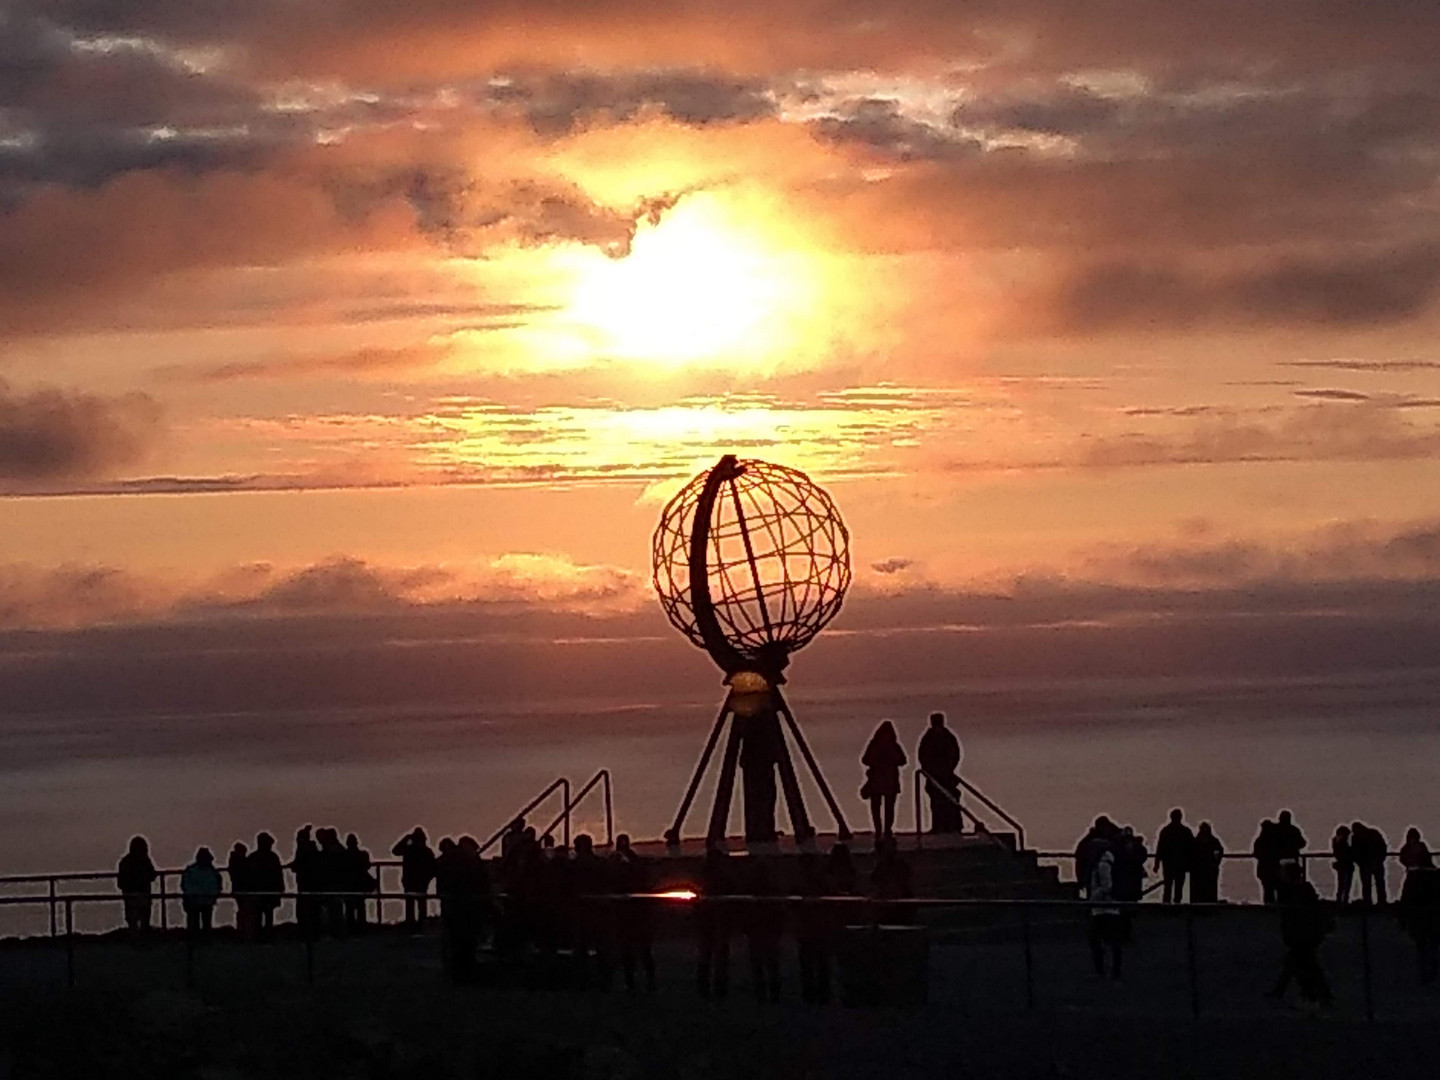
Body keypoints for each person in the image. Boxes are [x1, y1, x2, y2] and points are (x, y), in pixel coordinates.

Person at [1267, 860, 1334, 1008]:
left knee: (1298, 963)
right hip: (1304, 933)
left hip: (1302, 933)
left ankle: (1311, 993)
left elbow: (1292, 913)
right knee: (1304, 963)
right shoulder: (1301, 889)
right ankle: (1318, 993)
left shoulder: (1293, 890)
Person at [612, 834, 657, 992]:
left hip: (626, 913)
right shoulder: (637, 863)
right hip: (638, 912)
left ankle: (631, 981)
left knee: (629, 949)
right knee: (642, 949)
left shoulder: (617, 864)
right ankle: (648, 979)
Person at [795, 851, 834, 1004]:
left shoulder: (815, 883)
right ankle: (817, 994)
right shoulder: (818, 882)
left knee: (816, 963)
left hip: (815, 928)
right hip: (811, 928)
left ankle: (815, 994)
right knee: (815, 963)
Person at [696, 845, 734, 999]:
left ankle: (706, 989)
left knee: (708, 956)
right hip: (717, 921)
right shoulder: (724, 878)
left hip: (709, 921)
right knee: (718, 956)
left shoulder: (703, 878)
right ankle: (718, 989)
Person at [744, 857, 784, 1002]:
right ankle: (772, 993)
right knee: (770, 962)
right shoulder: (772, 889)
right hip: (766, 928)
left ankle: (762, 993)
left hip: (759, 928)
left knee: (760, 963)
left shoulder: (751, 889)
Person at [917, 712, 962, 833]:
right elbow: (955, 754)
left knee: (940, 801)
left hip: (939, 775)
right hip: (939, 775)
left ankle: (945, 825)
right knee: (940, 801)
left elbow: (922, 755)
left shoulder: (931, 737)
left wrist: (930, 769)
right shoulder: (946, 736)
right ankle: (945, 825)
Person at [860, 721, 906, 839]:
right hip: (890, 781)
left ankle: (879, 829)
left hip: (877, 780)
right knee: (889, 807)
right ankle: (887, 830)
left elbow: (865, 760)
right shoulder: (894, 745)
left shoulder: (874, 744)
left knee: (876, 807)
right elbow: (902, 761)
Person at [1398, 861, 1440, 985]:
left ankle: (1425, 972)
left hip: (1419, 918)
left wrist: (1403, 919)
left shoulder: (1413, 880)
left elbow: (1405, 901)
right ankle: (1431, 970)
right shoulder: (1436, 880)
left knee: (1422, 947)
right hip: (1432, 918)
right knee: (1432, 946)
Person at [1087, 850, 1126, 979]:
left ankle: (1102, 971)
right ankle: (1114, 971)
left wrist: (1092, 898)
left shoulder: (1102, 866)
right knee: (1113, 942)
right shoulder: (1112, 864)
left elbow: (1107, 886)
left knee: (1097, 941)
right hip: (1113, 908)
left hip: (1102, 909)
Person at [392, 827, 437, 928]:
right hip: (415, 881)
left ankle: (414, 923)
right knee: (415, 904)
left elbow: (395, 851)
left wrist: (406, 838)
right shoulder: (424, 851)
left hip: (414, 881)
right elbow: (395, 851)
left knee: (414, 904)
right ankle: (417, 924)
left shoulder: (410, 850)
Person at [117, 836, 158, 937]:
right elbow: (152, 875)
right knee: (143, 918)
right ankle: (143, 937)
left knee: (132, 919)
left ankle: (135, 938)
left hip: (131, 894)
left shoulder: (125, 861)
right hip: (142, 893)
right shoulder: (145, 860)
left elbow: (120, 882)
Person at [1154, 808, 1195, 904]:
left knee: (1168, 885)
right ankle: (1176, 904)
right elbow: (1192, 849)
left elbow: (1160, 848)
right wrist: (1191, 864)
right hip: (1181, 863)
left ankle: (1167, 903)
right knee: (1178, 885)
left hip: (1169, 863)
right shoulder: (1186, 831)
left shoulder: (1166, 831)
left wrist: (1157, 864)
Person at [247, 832, 283, 938]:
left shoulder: (253, 857)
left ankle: (262, 935)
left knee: (263, 915)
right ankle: (266, 935)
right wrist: (280, 888)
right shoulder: (272, 857)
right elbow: (278, 874)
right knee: (265, 915)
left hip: (262, 891)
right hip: (265, 891)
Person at [1074, 816, 1120, 898]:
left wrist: (1081, 879)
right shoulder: (1113, 839)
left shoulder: (1086, 842)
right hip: (1105, 874)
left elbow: (1079, 858)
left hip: (1092, 873)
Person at [181, 847, 222, 935]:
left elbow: (184, 885)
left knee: (196, 923)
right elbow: (218, 884)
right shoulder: (212, 871)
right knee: (203, 922)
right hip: (203, 899)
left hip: (197, 899)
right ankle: (202, 939)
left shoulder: (191, 870)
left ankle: (197, 939)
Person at [292, 825, 321, 939]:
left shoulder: (304, 849)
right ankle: (311, 931)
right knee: (310, 908)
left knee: (306, 909)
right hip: (309, 883)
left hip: (306, 883)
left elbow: (300, 864)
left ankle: (307, 931)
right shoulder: (309, 848)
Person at [1353, 822, 1389, 906]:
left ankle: (1370, 903)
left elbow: (1355, 853)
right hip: (1372, 863)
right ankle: (1380, 902)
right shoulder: (1373, 833)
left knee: (1369, 885)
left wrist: (1360, 862)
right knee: (1377, 884)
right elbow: (1383, 847)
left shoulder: (1357, 838)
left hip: (1369, 863)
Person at [344, 833, 373, 931]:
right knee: (360, 906)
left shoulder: (344, 855)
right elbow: (367, 865)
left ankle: (351, 927)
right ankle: (361, 926)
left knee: (350, 908)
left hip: (348, 884)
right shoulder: (363, 854)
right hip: (360, 883)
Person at [1191, 822, 1224, 903]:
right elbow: (1220, 850)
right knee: (1208, 887)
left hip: (1203, 868)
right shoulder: (1211, 840)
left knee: (1205, 888)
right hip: (1207, 868)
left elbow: (1220, 850)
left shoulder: (1197, 841)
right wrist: (1216, 861)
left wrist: (1216, 861)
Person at [1112, 827, 1147, 903]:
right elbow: (1143, 855)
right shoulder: (1137, 845)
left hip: (1124, 875)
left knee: (1125, 897)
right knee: (1132, 897)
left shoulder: (1119, 846)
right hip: (1134, 875)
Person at [227, 841, 252, 937]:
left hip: (238, 888)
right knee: (244, 909)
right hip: (243, 888)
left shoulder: (234, 861)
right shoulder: (240, 861)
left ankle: (242, 929)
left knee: (243, 909)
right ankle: (244, 929)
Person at [1253, 820, 1279, 904]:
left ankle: (1268, 905)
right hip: (1274, 867)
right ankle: (1275, 905)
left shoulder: (1260, 840)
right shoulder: (1275, 841)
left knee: (1267, 888)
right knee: (1276, 887)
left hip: (1263, 868)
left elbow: (1256, 853)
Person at [1331, 825, 1354, 905]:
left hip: (1341, 865)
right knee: (1346, 885)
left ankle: (1340, 901)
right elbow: (1347, 854)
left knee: (1341, 884)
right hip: (1346, 865)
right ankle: (1344, 901)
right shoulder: (1343, 842)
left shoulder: (1335, 841)